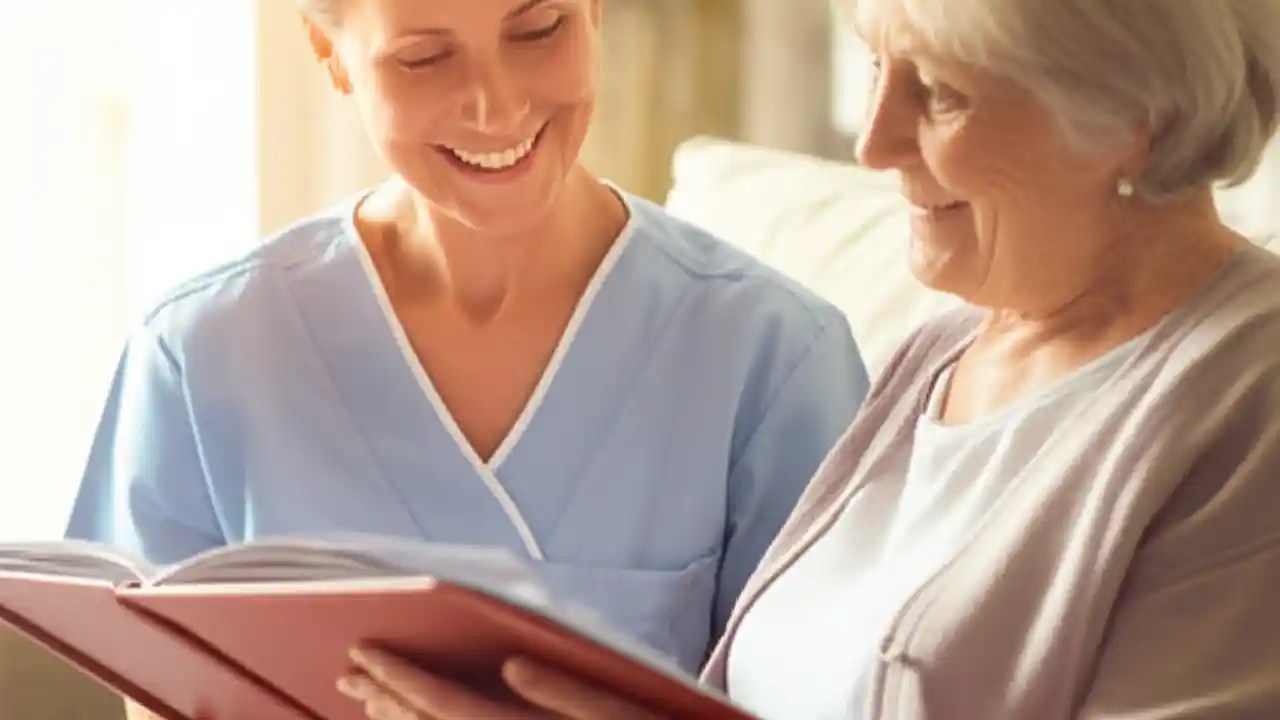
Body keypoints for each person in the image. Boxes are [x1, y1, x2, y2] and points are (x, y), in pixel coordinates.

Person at [335, 0, 1280, 718]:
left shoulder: (1248, 395)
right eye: (875, 68)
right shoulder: (944, 351)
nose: (874, 142)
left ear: (1128, 116)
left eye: (941, 94)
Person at [63, 0, 868, 713]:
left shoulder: (776, 360)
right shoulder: (201, 354)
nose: (498, 105)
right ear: (329, 55)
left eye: (539, 29)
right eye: (424, 56)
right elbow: (158, 690)